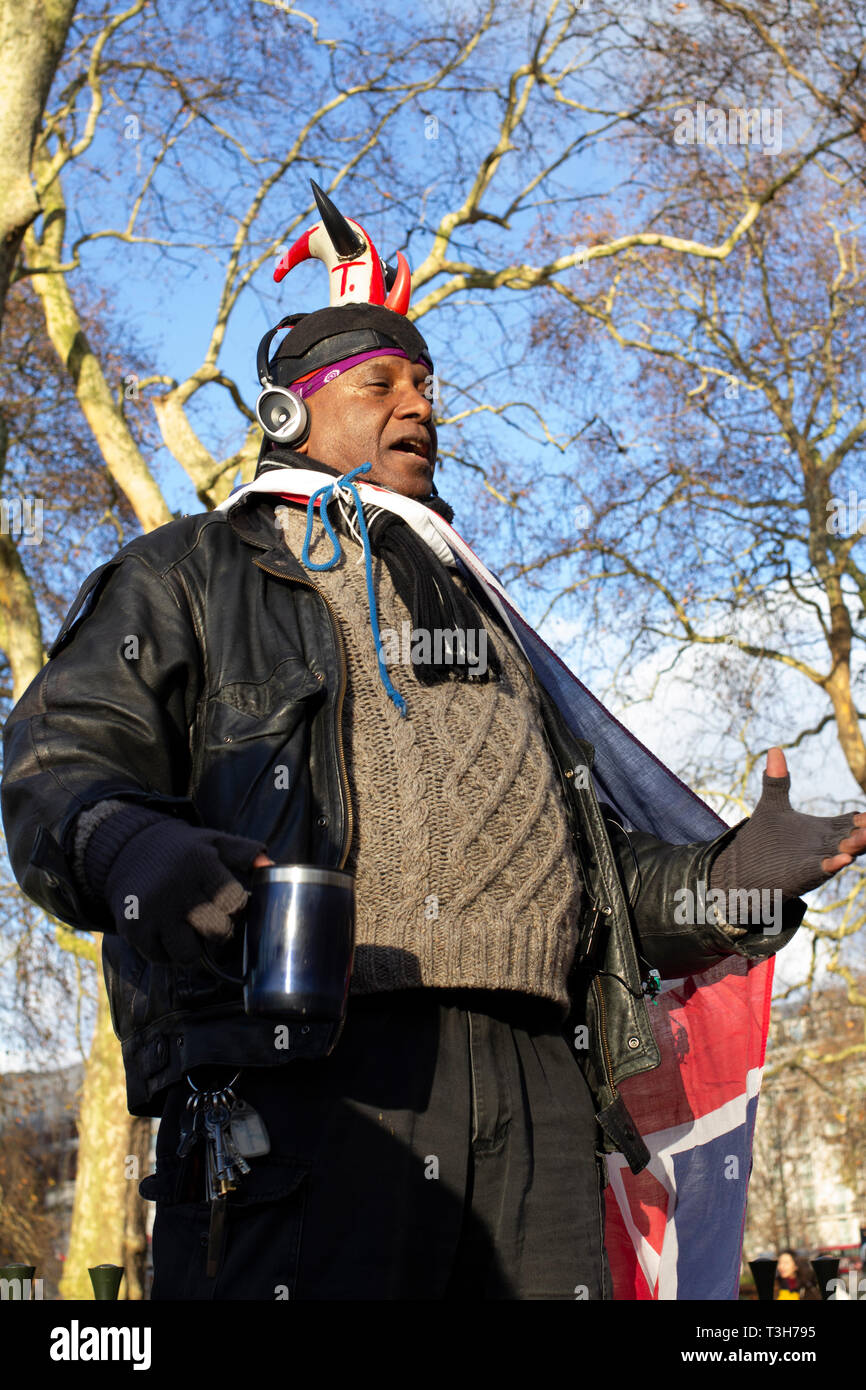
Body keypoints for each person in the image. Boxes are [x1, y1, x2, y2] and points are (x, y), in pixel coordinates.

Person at [3, 183, 866, 1301]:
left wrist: (737, 880)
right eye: (382, 383)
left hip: (541, 1088)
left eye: (426, 385)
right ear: (289, 416)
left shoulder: (486, 622)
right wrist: (125, 846)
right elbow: (54, 764)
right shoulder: (186, 575)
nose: (419, 405)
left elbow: (594, 885)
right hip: (314, 1077)